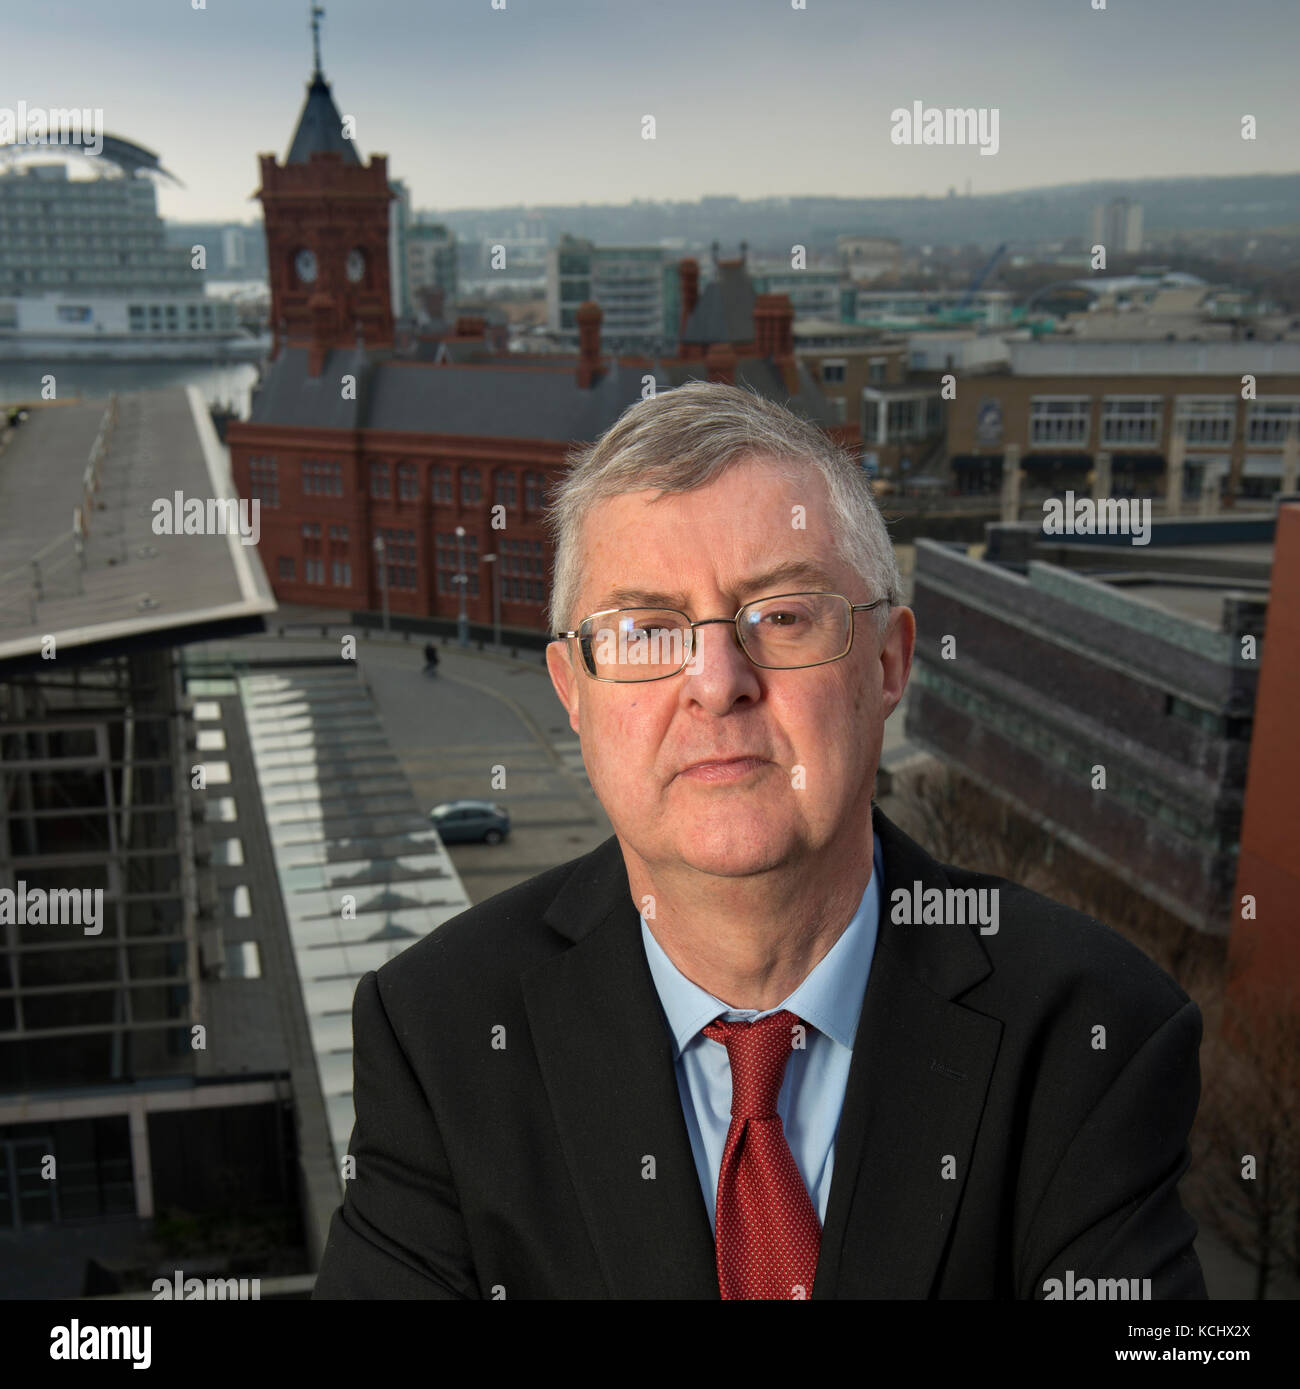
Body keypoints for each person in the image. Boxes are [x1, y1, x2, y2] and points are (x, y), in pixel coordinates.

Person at [313, 381, 1206, 1300]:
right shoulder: (440, 1032)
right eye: (646, 629)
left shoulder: (1096, 1031)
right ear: (573, 692)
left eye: (780, 616)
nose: (715, 682)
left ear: (889, 662)